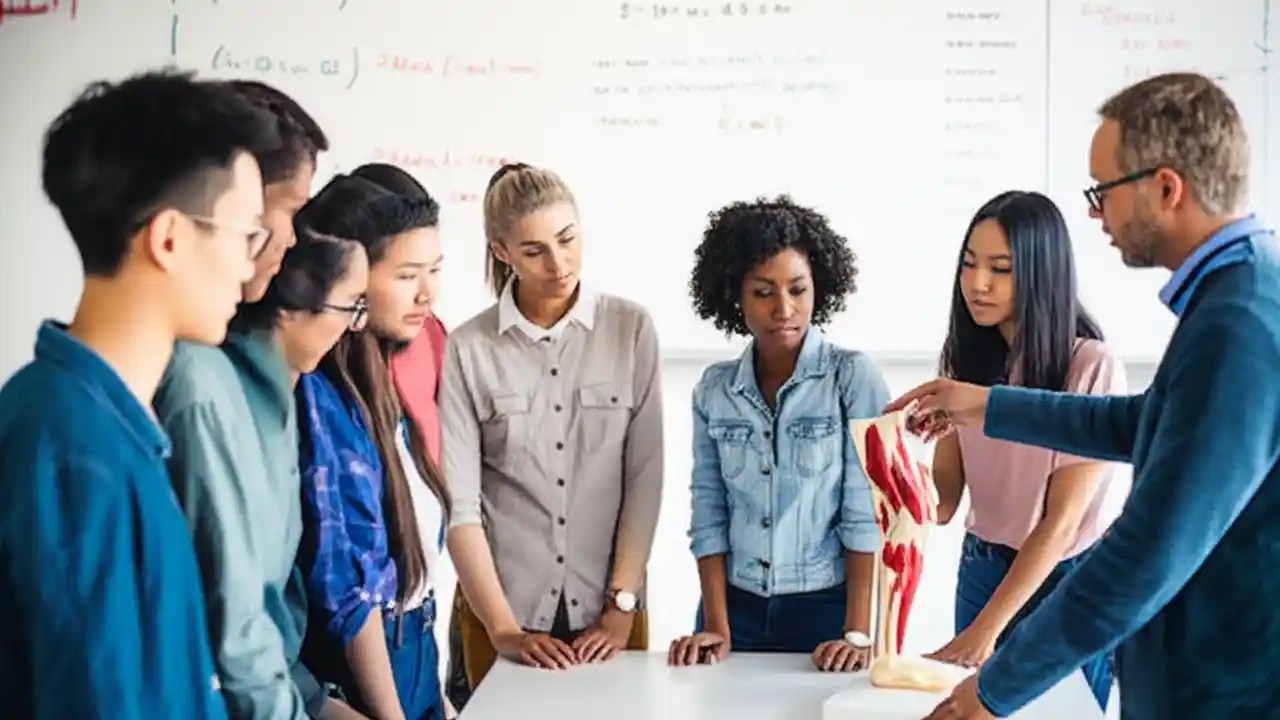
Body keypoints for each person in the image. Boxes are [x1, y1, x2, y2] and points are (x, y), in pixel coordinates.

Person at [894, 72, 1280, 720]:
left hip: (1220, 688)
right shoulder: (1234, 296)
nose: (1095, 212)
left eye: (1104, 190)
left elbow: (1147, 551)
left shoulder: (1238, 321)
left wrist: (992, 689)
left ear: (1165, 187)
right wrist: (986, 406)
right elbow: (1146, 422)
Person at [0, 70, 278, 718]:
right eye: (247, 236)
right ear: (171, 238)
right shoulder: (75, 455)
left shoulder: (99, 422)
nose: (252, 264)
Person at [152, 81, 345, 720]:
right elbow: (232, 630)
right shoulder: (198, 382)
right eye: (289, 208)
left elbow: (272, 612)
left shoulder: (268, 375)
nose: (292, 239)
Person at [440, 163, 662, 687]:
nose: (558, 263)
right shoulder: (468, 348)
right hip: (504, 615)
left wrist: (621, 607)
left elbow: (645, 479)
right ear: (502, 252)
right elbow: (461, 508)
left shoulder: (630, 329)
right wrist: (502, 630)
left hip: (611, 611)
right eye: (534, 250)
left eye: (567, 239)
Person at [921, 191, 1128, 709]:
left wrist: (987, 629)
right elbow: (943, 502)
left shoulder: (1091, 366)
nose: (977, 283)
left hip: (1066, 579)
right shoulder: (963, 359)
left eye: (1001, 268)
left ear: (1041, 272)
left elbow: (1059, 526)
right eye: (969, 264)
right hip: (983, 567)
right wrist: (893, 468)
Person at [667, 195, 885, 671]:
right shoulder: (714, 390)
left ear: (818, 289)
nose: (784, 308)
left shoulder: (851, 377)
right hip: (734, 609)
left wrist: (859, 631)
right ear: (735, 296)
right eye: (763, 292)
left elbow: (864, 512)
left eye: (798, 290)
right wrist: (717, 626)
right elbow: (708, 509)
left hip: (826, 612)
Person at [296, 174, 451, 720]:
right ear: (355, 278)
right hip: (370, 675)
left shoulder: (394, 374)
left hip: (416, 652)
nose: (428, 293)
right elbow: (348, 592)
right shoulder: (321, 396)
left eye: (434, 270)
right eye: (407, 275)